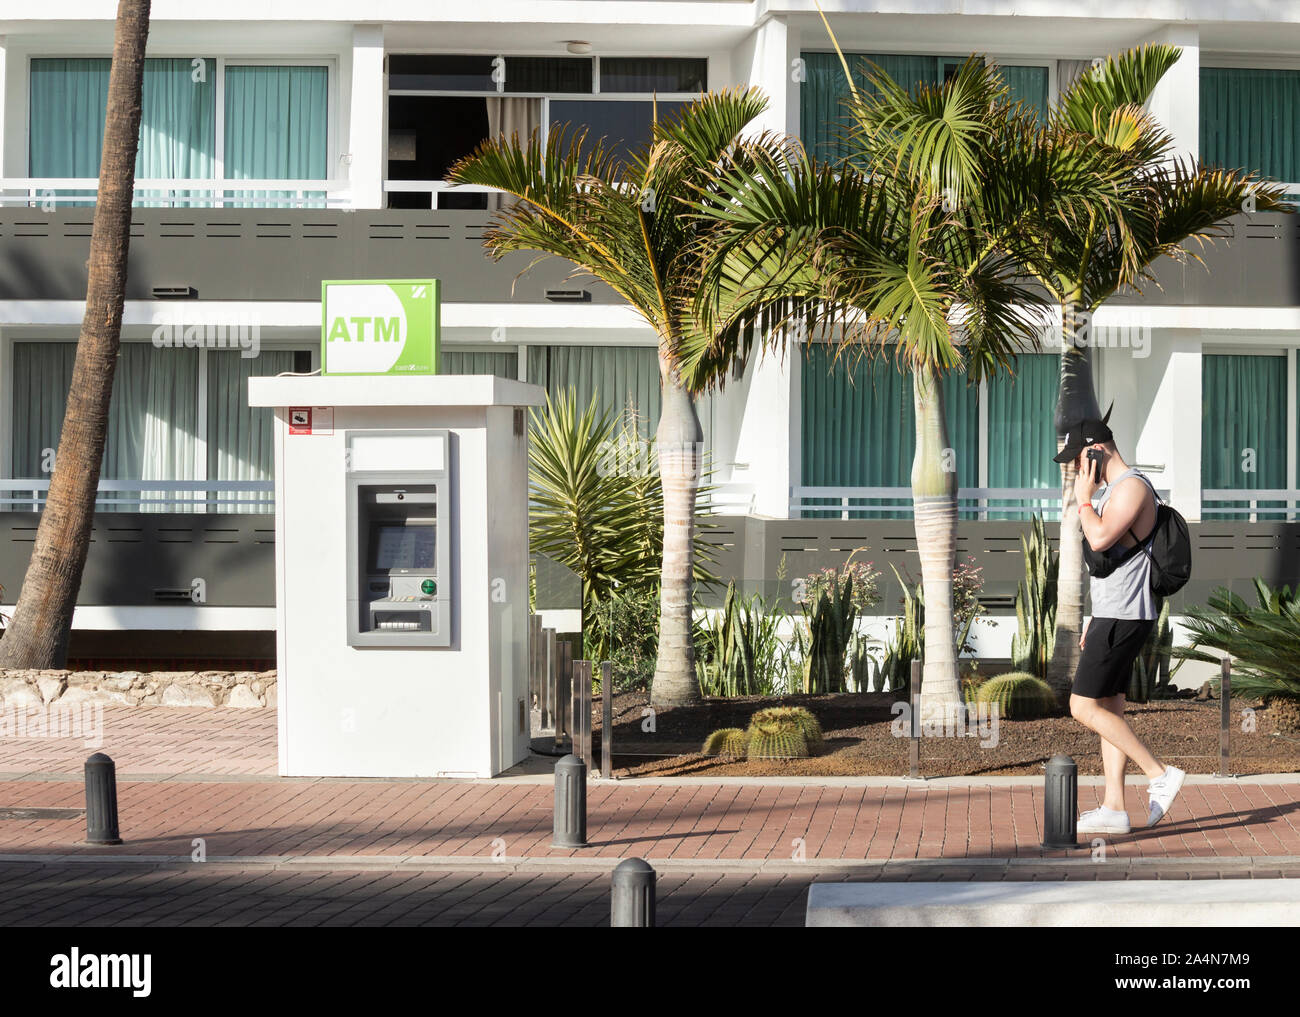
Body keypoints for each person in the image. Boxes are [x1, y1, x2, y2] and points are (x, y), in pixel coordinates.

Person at [1054, 415, 1185, 833]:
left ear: (1096, 450)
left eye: (1077, 458)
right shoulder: (1117, 490)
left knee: (1082, 706)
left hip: (1127, 616)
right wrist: (1094, 617)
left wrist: (1084, 499)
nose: (1074, 467)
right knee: (1110, 706)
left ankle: (1160, 774)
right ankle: (1114, 807)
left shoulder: (1132, 487)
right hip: (1112, 615)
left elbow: (1099, 539)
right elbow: (1107, 569)